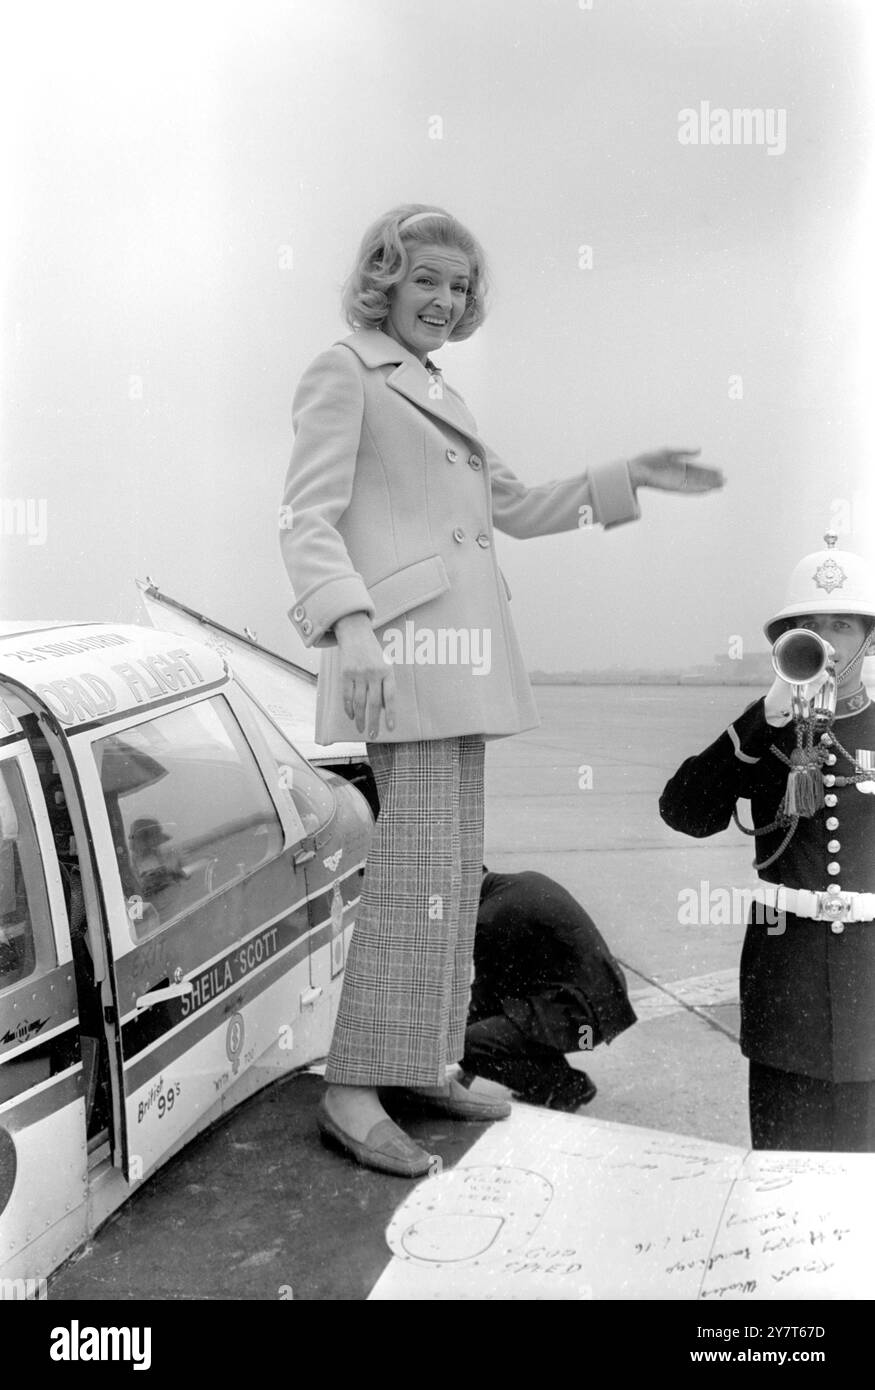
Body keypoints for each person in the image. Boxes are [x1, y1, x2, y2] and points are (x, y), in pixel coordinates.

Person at [279, 202, 723, 1177]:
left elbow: (513, 507)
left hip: (461, 663)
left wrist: (625, 478)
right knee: (411, 883)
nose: (444, 298)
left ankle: (424, 1057)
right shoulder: (345, 373)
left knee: (445, 882)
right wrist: (348, 627)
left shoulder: (434, 389)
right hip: (399, 660)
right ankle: (354, 1088)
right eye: (425, 278)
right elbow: (305, 520)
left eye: (458, 285)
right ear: (383, 280)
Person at [659, 532, 875, 1151]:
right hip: (789, 986)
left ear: (869, 639)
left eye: (842, 624)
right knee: (783, 1175)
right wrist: (765, 715)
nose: (827, 641)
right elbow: (685, 812)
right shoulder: (764, 731)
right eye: (809, 626)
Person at [459, 867, 637, 1111]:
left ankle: (567, 1086)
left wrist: (465, 1064)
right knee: (507, 1020)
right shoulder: (521, 882)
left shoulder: (490, 917)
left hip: (582, 1018)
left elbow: (484, 1000)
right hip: (602, 1006)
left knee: (468, 1044)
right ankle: (554, 1078)